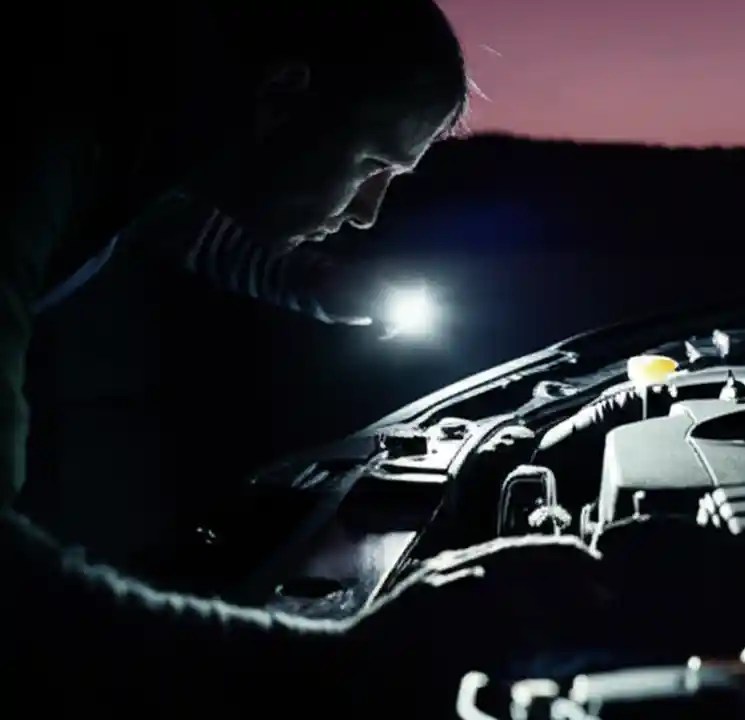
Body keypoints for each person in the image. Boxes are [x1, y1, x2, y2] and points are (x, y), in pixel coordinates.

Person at [2, 1, 604, 711]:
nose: (368, 212)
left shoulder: (134, 121)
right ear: (284, 95)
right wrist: (343, 662)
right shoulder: (34, 144)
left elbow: (175, 221)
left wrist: (321, 285)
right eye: (373, 163)